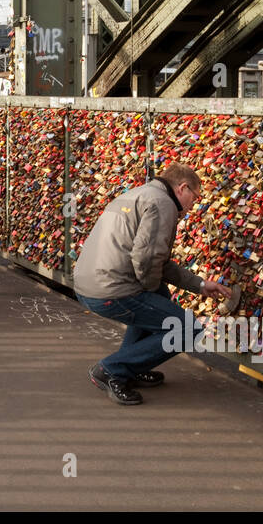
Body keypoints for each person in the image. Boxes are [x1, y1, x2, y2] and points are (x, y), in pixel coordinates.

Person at [73, 163, 231, 406]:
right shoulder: (163, 204)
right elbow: (147, 259)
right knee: (188, 329)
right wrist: (148, 290)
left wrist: (199, 285)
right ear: (183, 187)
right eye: (194, 197)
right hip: (111, 290)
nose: (192, 206)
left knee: (159, 294)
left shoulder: (138, 194)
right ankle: (111, 370)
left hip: (89, 284)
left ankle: (130, 369)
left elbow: (157, 261)